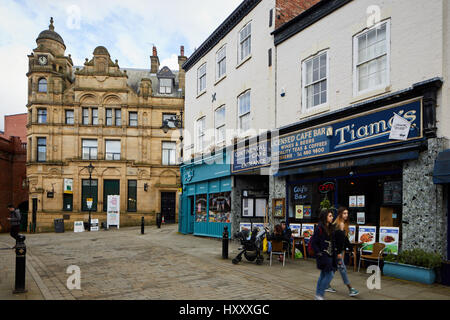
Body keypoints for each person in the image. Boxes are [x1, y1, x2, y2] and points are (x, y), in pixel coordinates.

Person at [326, 207, 359, 296]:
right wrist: (337, 253)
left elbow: (345, 238)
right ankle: (351, 289)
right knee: (343, 270)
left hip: (337, 252)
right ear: (340, 214)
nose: (346, 215)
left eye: (347, 213)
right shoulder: (339, 224)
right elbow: (335, 240)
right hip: (337, 252)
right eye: (344, 213)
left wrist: (351, 249)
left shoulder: (341, 224)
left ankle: (326, 285)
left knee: (334, 269)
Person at [311, 208, 337, 300]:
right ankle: (320, 295)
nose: (332, 217)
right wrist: (319, 253)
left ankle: (318, 295)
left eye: (332, 216)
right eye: (330, 216)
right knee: (330, 274)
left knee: (323, 275)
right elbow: (314, 242)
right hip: (323, 255)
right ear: (325, 217)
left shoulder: (331, 227)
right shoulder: (320, 228)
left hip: (330, 255)